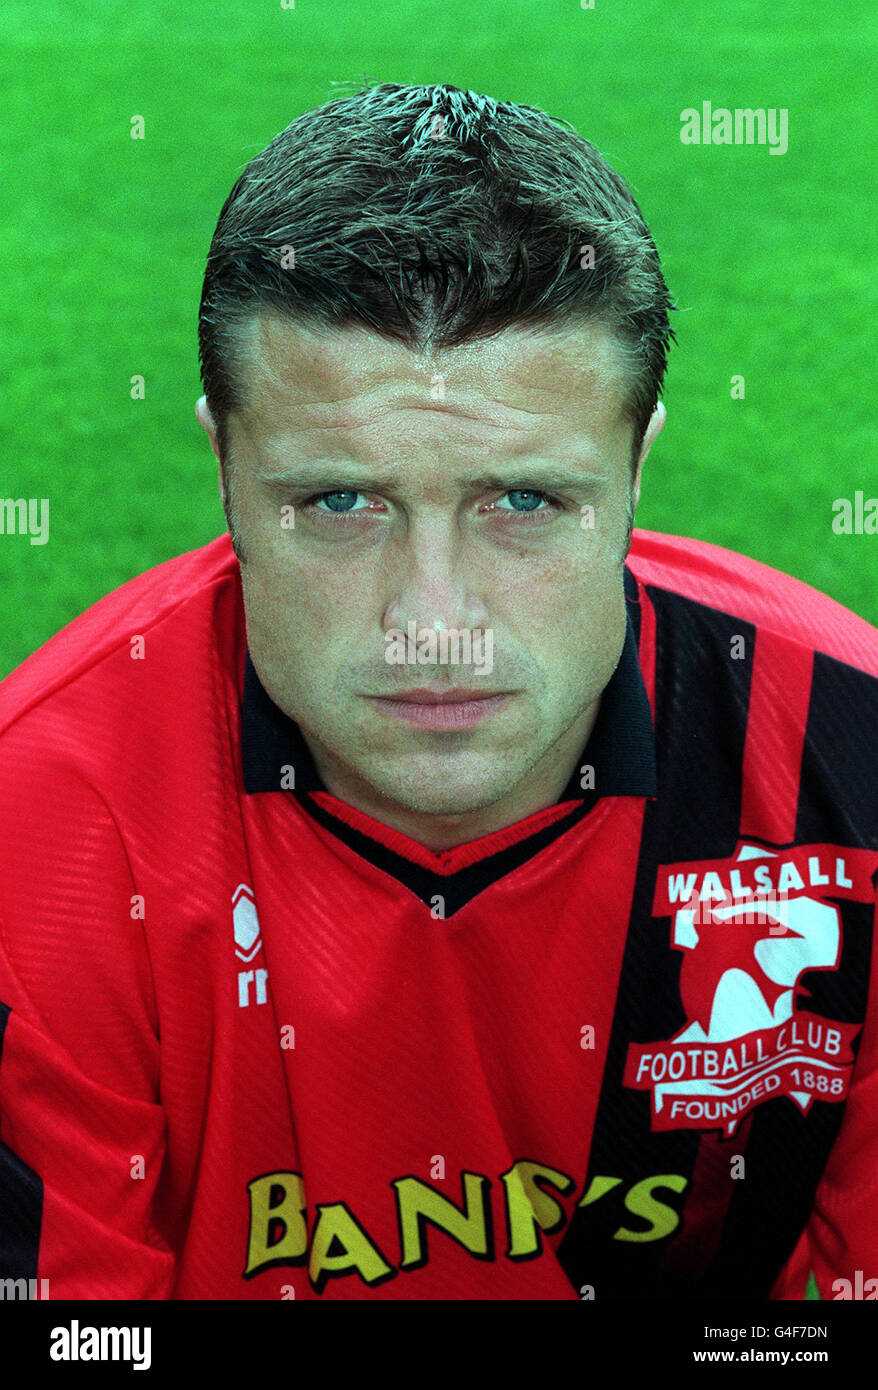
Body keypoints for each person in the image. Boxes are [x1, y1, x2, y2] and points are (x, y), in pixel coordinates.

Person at [0, 82, 875, 1302]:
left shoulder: (851, 765)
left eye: (521, 503)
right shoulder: (38, 822)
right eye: (338, 504)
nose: (432, 623)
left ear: (635, 471)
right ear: (223, 468)